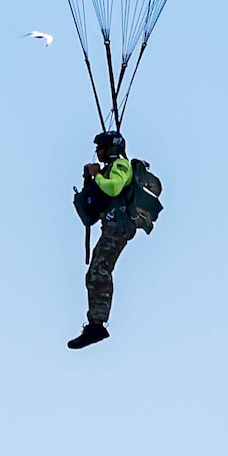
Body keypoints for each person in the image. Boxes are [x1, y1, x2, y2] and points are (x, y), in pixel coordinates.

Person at [69, 130, 142, 348]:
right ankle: (96, 323)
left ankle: (97, 325)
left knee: (98, 271)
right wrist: (90, 179)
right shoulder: (110, 168)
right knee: (96, 271)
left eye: (101, 148)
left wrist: (97, 175)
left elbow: (114, 187)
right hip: (111, 226)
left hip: (118, 226)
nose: (97, 152)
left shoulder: (120, 165)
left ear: (111, 148)